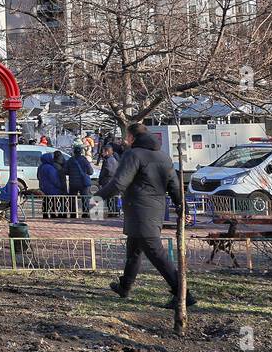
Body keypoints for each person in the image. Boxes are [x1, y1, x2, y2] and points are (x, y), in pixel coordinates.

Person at [96, 124, 190, 308]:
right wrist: (182, 206)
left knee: (156, 253)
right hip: (154, 210)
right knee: (134, 250)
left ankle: (183, 293)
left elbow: (118, 184)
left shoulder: (133, 154)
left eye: (126, 137)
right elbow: (174, 187)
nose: (124, 141)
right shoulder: (164, 156)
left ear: (132, 137)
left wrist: (98, 197)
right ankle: (125, 287)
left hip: (140, 211)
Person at [65, 143, 94, 217]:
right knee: (85, 198)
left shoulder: (70, 160)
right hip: (83, 183)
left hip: (73, 183)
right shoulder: (84, 160)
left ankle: (73, 214)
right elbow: (91, 172)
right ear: (81, 152)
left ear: (74, 152)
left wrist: (72, 173)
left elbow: (65, 171)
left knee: (72, 199)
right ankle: (85, 214)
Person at [37, 149, 66, 217]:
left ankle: (45, 215)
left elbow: (38, 177)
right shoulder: (50, 168)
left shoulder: (40, 167)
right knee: (53, 202)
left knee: (45, 201)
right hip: (52, 188)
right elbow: (54, 179)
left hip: (43, 187)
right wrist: (60, 186)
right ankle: (53, 215)